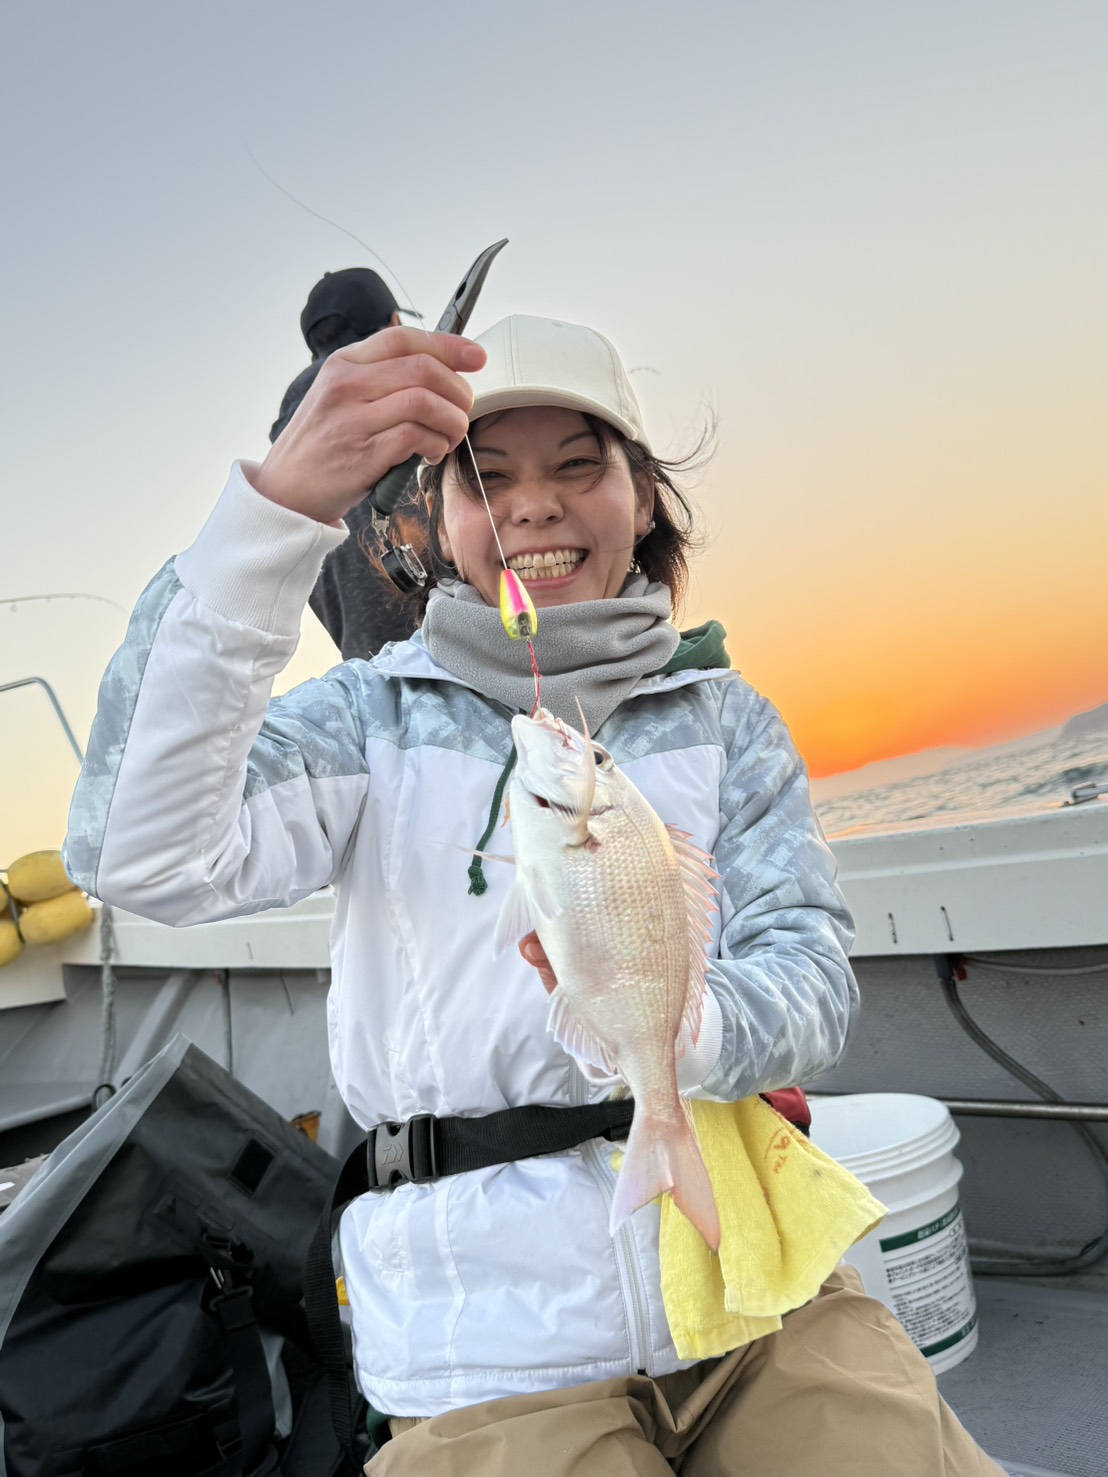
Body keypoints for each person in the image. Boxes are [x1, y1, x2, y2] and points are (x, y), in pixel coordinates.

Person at [65, 315, 1004, 1475]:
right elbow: (136, 852)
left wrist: (676, 1025)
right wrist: (273, 514)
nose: (535, 506)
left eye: (577, 464)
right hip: (482, 1348)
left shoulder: (724, 718)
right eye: (489, 477)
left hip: (755, 1283)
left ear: (644, 497)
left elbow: (808, 976)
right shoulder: (367, 717)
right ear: (436, 517)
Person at [271, 266, 420, 659]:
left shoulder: (281, 468)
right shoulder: (417, 403)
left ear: (314, 352)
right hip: (465, 672)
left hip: (369, 682)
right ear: (394, 324)